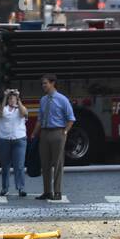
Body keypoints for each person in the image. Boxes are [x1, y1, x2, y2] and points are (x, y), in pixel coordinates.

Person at [31, 73, 74, 201]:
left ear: (52, 83)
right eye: (42, 83)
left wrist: (65, 132)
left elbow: (71, 118)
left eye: (45, 83)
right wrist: (34, 133)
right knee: (45, 164)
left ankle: (57, 192)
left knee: (58, 163)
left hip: (57, 132)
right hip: (44, 133)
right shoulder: (43, 100)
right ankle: (47, 191)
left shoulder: (62, 99)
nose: (43, 85)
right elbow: (40, 119)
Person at [0, 87, 28, 197]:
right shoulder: (2, 108)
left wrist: (18, 98)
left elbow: (23, 113)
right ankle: (5, 188)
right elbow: (0, 113)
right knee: (5, 166)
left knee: (19, 165)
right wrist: (5, 96)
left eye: (13, 98)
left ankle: (20, 188)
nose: (11, 100)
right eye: (10, 98)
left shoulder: (20, 108)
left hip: (19, 139)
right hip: (4, 139)